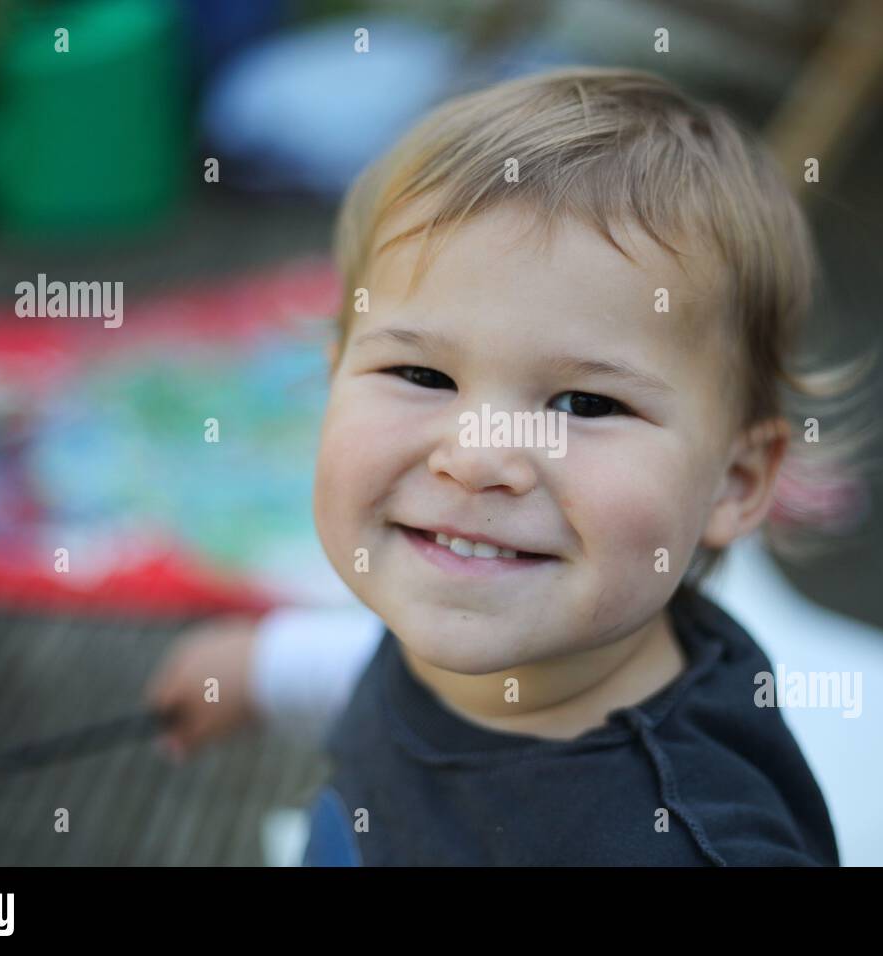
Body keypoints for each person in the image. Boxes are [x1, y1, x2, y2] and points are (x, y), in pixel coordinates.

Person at [147, 66, 842, 865]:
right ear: (334, 373)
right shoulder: (489, 603)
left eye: (583, 404)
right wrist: (263, 669)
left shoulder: (681, 840)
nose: (476, 461)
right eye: (422, 376)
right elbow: (392, 658)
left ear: (736, 481)